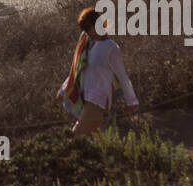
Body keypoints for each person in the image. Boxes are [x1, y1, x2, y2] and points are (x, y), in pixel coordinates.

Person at [57, 7, 139, 139]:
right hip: (87, 100)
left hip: (99, 101)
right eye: (85, 30)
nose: (87, 33)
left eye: (88, 29)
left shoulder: (111, 48)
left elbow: (122, 76)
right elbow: (78, 69)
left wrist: (132, 101)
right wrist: (63, 90)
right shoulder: (87, 44)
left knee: (75, 136)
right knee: (102, 145)